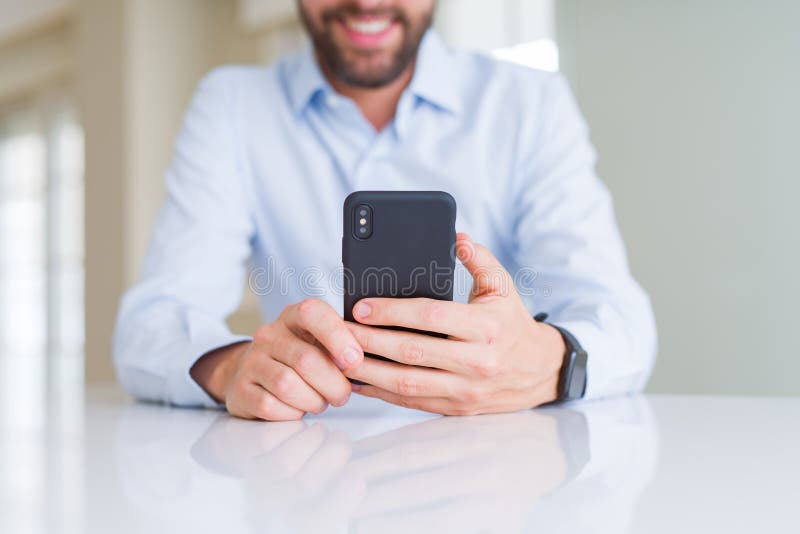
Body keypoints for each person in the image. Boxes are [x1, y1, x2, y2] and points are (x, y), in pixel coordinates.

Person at [113, 0, 657, 420]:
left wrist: (552, 364)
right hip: (303, 471)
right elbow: (150, 323)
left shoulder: (528, 103)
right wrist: (230, 367)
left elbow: (623, 320)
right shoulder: (233, 106)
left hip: (500, 470)